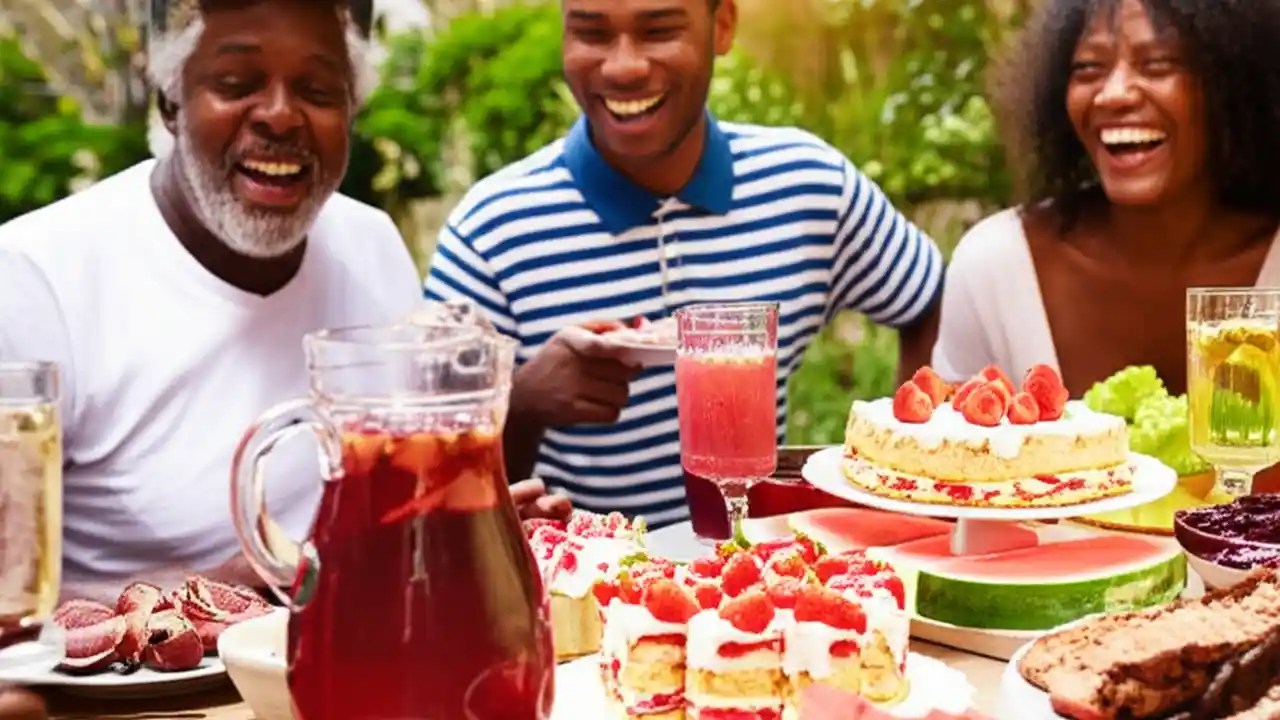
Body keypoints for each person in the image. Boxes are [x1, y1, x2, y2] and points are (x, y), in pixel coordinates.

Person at [0, 0, 563, 601]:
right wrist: (226, 593)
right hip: (133, 695)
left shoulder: (369, 243)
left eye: (318, 90)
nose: (279, 115)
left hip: (357, 666)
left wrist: (466, 529)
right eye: (237, 83)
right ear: (170, 101)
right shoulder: (33, 278)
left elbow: (403, 506)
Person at [425, 0, 945, 526]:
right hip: (586, 592)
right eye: (591, 32)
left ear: (721, 27)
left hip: (759, 584)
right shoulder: (489, 230)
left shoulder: (809, 187)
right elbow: (432, 481)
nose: (623, 66)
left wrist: (898, 477)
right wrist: (524, 404)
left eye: (658, 30)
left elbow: (930, 300)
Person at [933, 0, 1280, 398]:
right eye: (1088, 69)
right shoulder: (994, 266)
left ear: (1235, 80)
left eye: (1158, 64)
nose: (1112, 95)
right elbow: (947, 450)